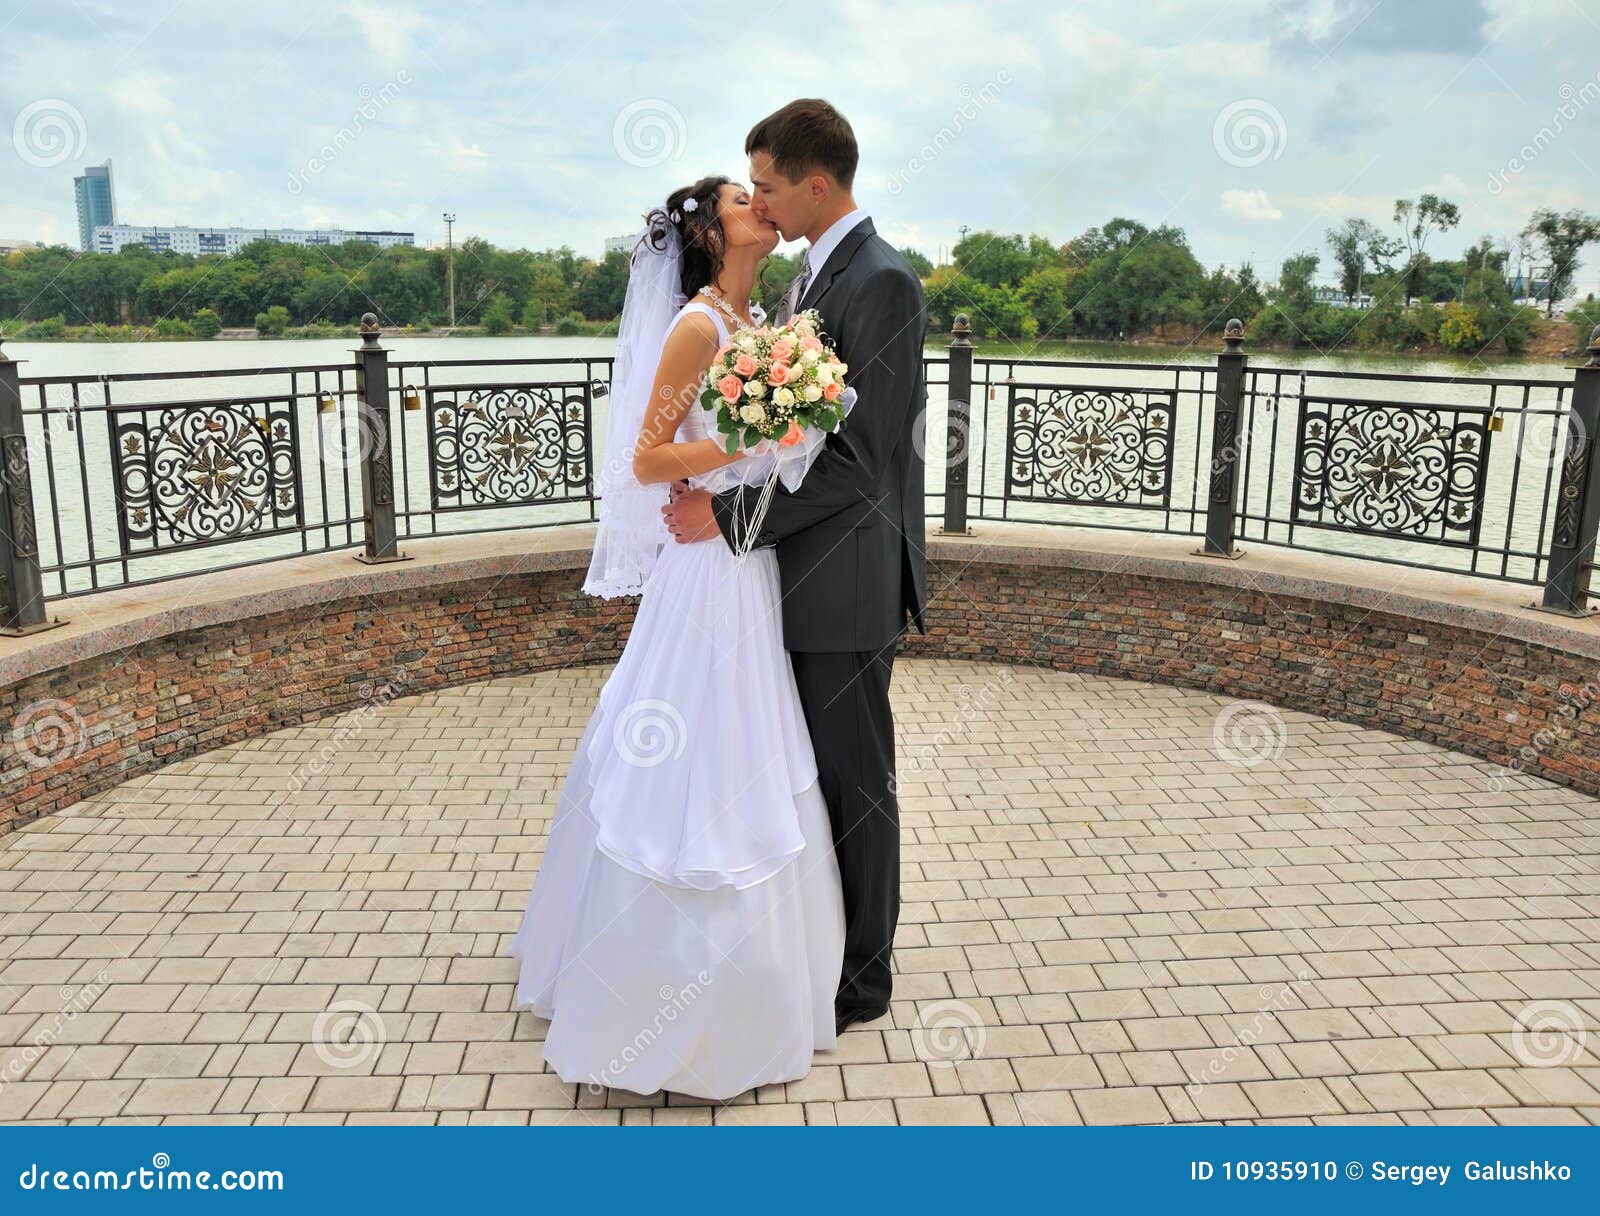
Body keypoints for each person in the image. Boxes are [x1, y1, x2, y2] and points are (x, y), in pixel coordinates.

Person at [505, 175, 846, 1101]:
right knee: (686, 749)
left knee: (750, 741)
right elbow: (647, 458)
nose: (761, 205)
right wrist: (742, 434)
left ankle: (753, 993)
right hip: (703, 573)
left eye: (762, 192)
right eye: (744, 199)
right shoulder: (698, 327)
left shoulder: (762, 322)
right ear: (706, 231)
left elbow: (770, 453)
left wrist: (772, 430)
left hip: (747, 559)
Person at [662, 99, 929, 1035]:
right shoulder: (814, 279)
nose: (764, 205)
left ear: (817, 185)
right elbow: (791, 433)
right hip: (800, 567)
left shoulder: (882, 283)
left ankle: (865, 981)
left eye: (770, 186)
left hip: (848, 579)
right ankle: (823, 949)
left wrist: (727, 513)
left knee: (857, 781)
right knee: (815, 772)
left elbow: (861, 461)